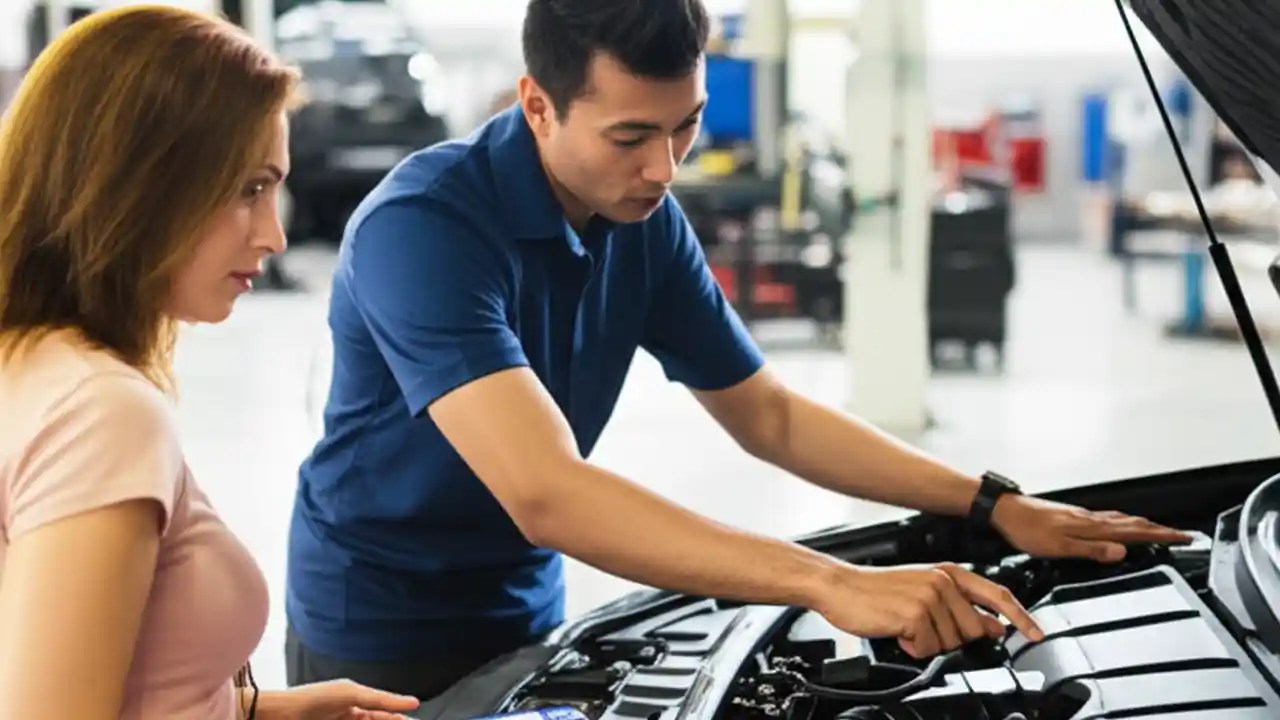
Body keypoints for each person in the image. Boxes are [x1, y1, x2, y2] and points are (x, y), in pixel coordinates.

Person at [284, 0, 1192, 701]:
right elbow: (546, 492)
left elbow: (768, 415)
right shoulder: (424, 228)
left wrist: (993, 502)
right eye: (630, 136)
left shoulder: (643, 221)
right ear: (537, 106)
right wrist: (828, 583)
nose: (665, 167)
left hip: (527, 605)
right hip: (381, 623)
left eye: (684, 125)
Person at [0, 6, 423, 719]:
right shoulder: (99, 411)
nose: (276, 236)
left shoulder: (33, 362)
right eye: (249, 189)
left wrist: (253, 710)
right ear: (138, 184)